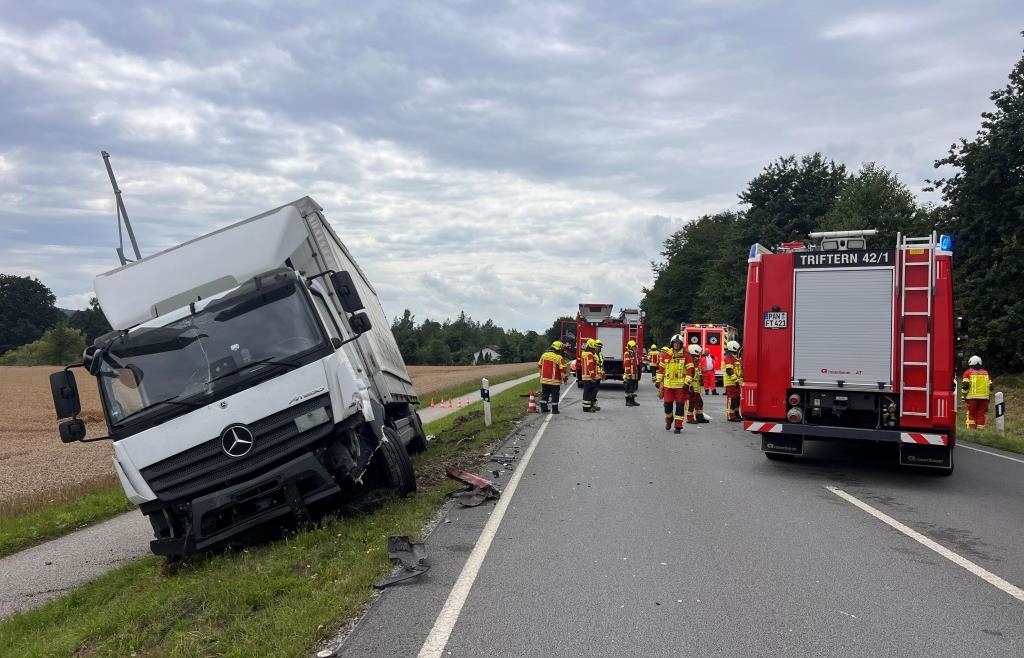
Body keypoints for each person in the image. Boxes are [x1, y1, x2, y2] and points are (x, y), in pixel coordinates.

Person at [656, 335, 688, 433]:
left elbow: (691, 370)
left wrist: (687, 383)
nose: (676, 344)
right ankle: (669, 420)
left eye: (678, 343)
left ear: (681, 344)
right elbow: (661, 370)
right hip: (668, 386)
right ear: (672, 343)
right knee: (667, 406)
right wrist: (658, 381)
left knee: (680, 407)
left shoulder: (686, 356)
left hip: (680, 386)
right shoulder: (666, 355)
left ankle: (678, 426)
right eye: (675, 343)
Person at [961, 355, 992, 430]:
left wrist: (963, 396)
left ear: (970, 363)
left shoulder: (967, 373)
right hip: (984, 398)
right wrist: (989, 396)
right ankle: (980, 431)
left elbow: (965, 386)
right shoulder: (986, 373)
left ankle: (972, 430)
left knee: (971, 414)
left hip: (972, 398)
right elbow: (991, 387)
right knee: (981, 414)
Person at [538, 340, 569, 414]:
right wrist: (565, 380)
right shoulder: (559, 358)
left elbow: (540, 366)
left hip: (544, 380)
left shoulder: (544, 355)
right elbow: (563, 371)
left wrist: (541, 376)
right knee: (555, 395)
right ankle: (555, 410)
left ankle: (543, 408)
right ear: (559, 349)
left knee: (545, 394)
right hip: (554, 381)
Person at [685, 343, 708, 423]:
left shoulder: (696, 360)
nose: (699, 357)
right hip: (691, 385)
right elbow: (688, 374)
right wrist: (689, 386)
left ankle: (699, 417)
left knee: (699, 402)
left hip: (696, 386)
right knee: (690, 403)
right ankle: (689, 418)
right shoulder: (689, 361)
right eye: (698, 355)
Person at [723, 340, 743, 422]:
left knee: (737, 399)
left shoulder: (735, 358)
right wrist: (736, 381)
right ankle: (730, 416)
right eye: (737, 349)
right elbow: (729, 370)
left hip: (736, 382)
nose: (738, 351)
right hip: (731, 382)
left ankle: (736, 413)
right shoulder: (729, 358)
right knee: (732, 399)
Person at [580, 338, 601, 412]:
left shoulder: (585, 354)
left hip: (586, 376)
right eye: (594, 347)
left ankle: (589, 406)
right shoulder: (589, 354)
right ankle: (586, 408)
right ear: (591, 347)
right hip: (589, 377)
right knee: (588, 393)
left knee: (589, 392)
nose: (595, 349)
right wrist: (593, 376)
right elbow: (590, 365)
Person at [622, 339, 640, 406]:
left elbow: (636, 364)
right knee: (628, 389)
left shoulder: (634, 354)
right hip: (629, 374)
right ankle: (628, 401)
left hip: (634, 375)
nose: (635, 348)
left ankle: (632, 401)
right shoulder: (627, 354)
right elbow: (627, 364)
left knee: (633, 388)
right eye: (634, 347)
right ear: (630, 347)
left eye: (635, 347)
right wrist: (629, 373)